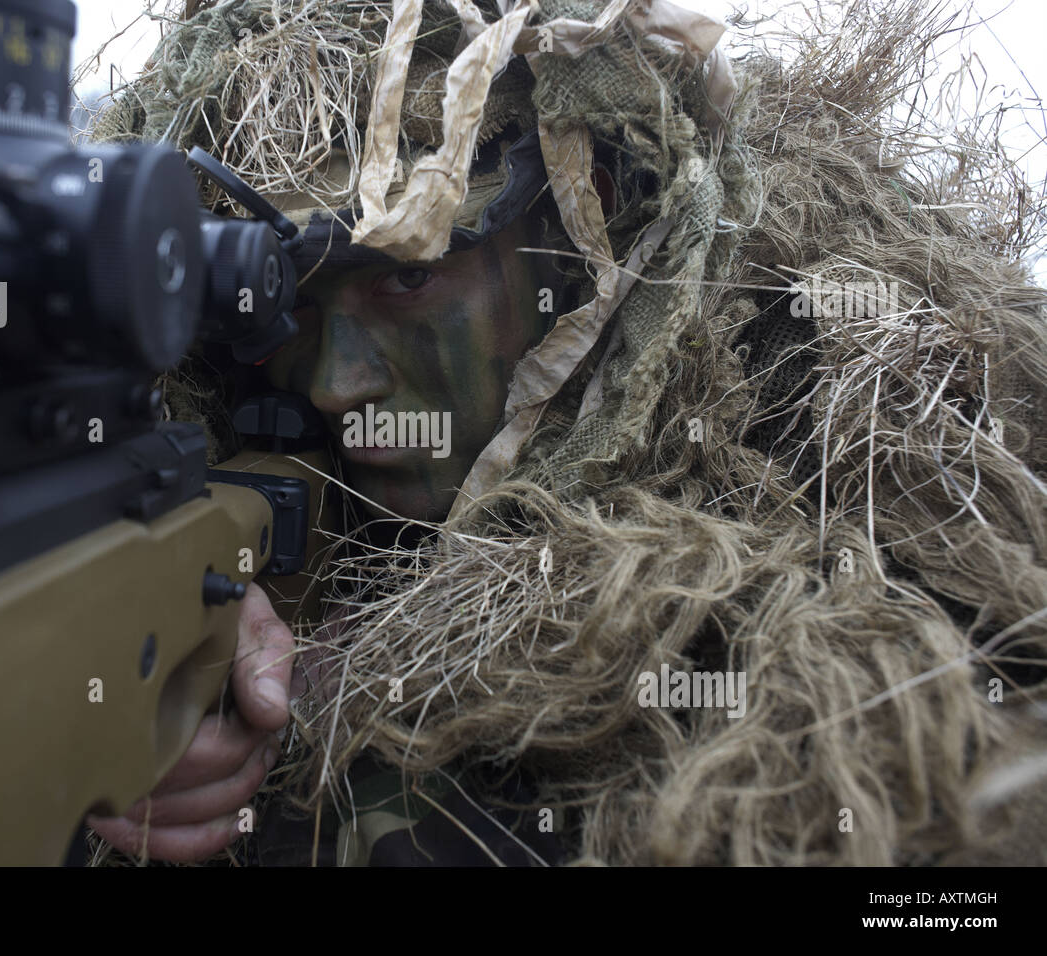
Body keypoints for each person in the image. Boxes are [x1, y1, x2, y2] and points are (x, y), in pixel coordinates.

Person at [89, 0, 1047, 866]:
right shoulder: (204, 443)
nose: (337, 387)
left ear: (582, 247)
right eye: (292, 304)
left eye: (407, 279)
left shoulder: (840, 506)